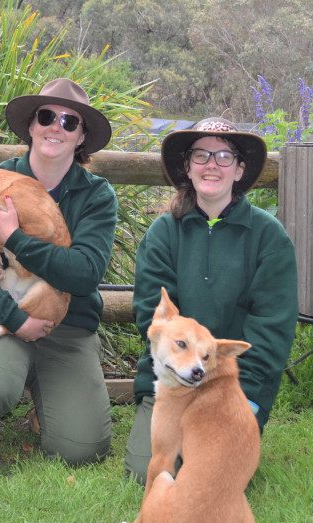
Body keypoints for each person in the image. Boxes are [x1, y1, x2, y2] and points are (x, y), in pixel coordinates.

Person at [0, 78, 118, 465]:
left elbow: (84, 273)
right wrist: (14, 318)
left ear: (81, 137)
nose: (56, 126)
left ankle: (48, 396)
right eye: (46, 116)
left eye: (70, 122)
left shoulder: (96, 195)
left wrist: (15, 238)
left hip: (67, 325)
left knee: (81, 449)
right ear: (32, 126)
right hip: (3, 315)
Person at [124, 117, 298, 483]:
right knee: (150, 473)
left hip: (234, 386)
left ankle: (237, 437)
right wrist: (182, 373)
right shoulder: (163, 233)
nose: (212, 164)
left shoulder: (269, 237)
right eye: (201, 155)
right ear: (187, 167)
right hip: (173, 381)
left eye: (223, 155)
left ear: (240, 168)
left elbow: (272, 327)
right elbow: (151, 318)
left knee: (211, 479)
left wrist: (242, 401)